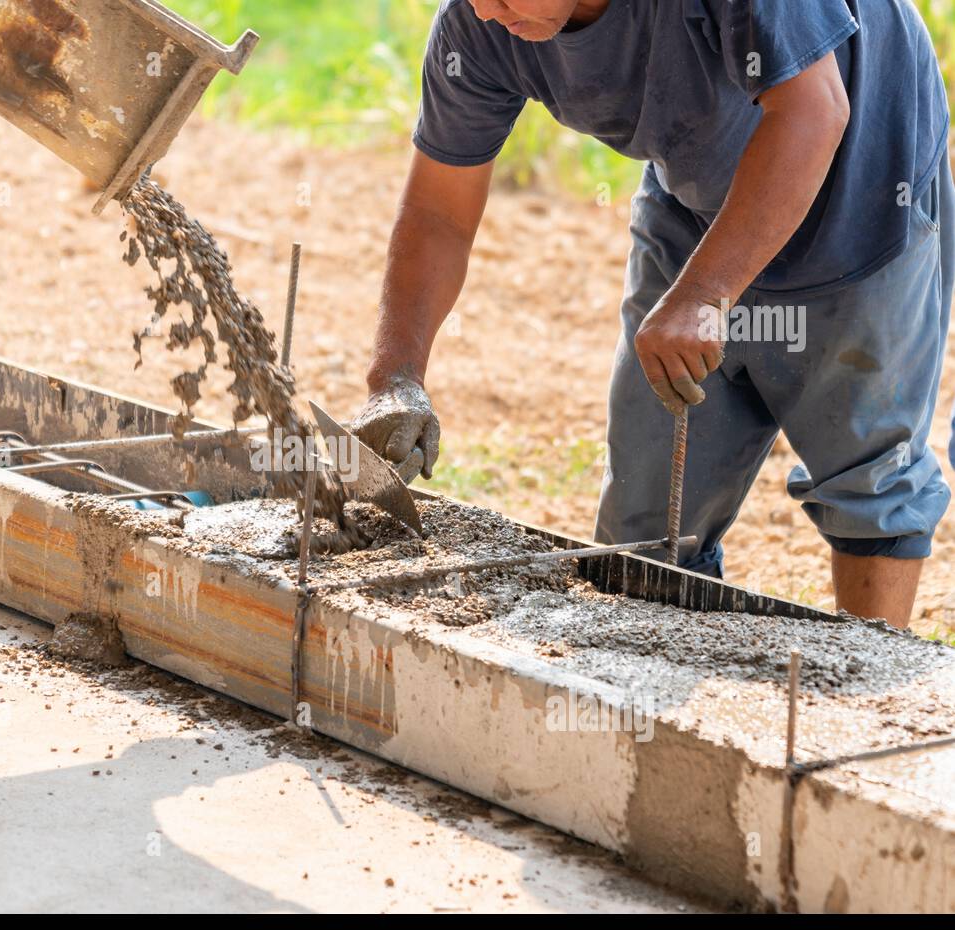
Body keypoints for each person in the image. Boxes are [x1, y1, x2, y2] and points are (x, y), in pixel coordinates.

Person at [352, 0, 953, 628]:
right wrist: (396, 375)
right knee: (644, 527)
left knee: (866, 479)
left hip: (864, 175)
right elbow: (438, 213)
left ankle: (867, 705)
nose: (484, 6)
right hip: (694, 188)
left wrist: (702, 296)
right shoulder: (478, 24)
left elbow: (814, 111)